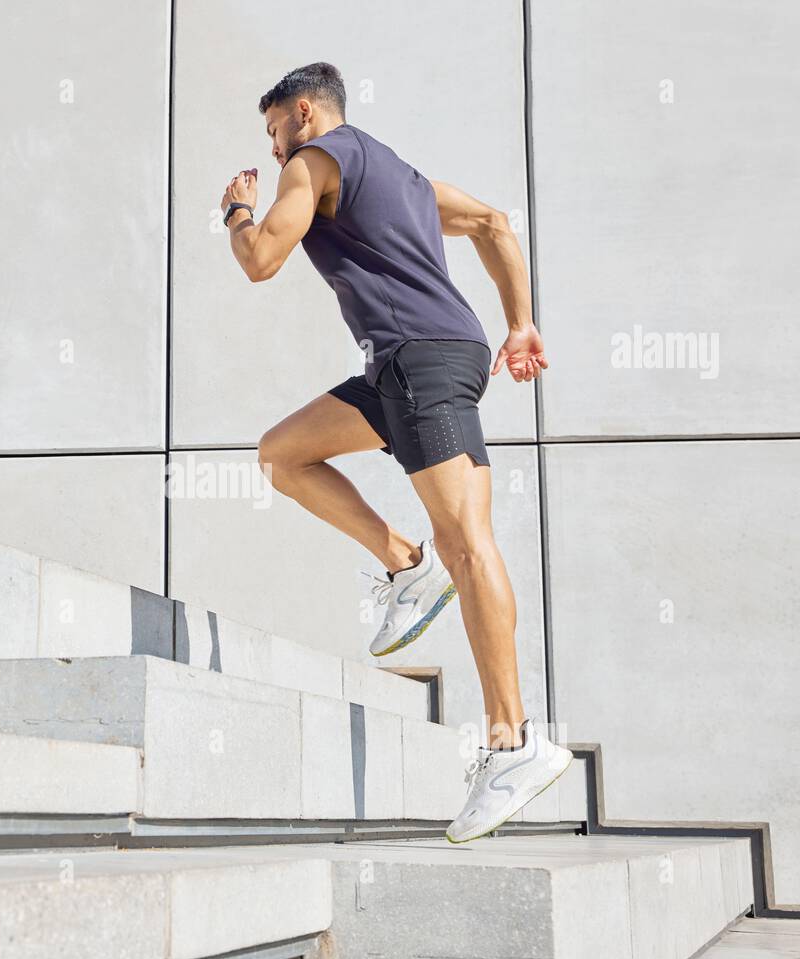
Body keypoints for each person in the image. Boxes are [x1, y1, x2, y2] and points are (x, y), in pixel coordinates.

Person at [221, 62, 571, 842]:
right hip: (408, 364)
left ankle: (512, 742)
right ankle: (407, 565)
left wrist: (239, 213)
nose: (275, 153)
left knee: (471, 546)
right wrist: (519, 322)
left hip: (419, 362)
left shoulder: (315, 163)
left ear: (303, 114)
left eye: (274, 132)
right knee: (282, 455)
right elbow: (493, 223)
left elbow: (260, 260)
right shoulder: (403, 176)